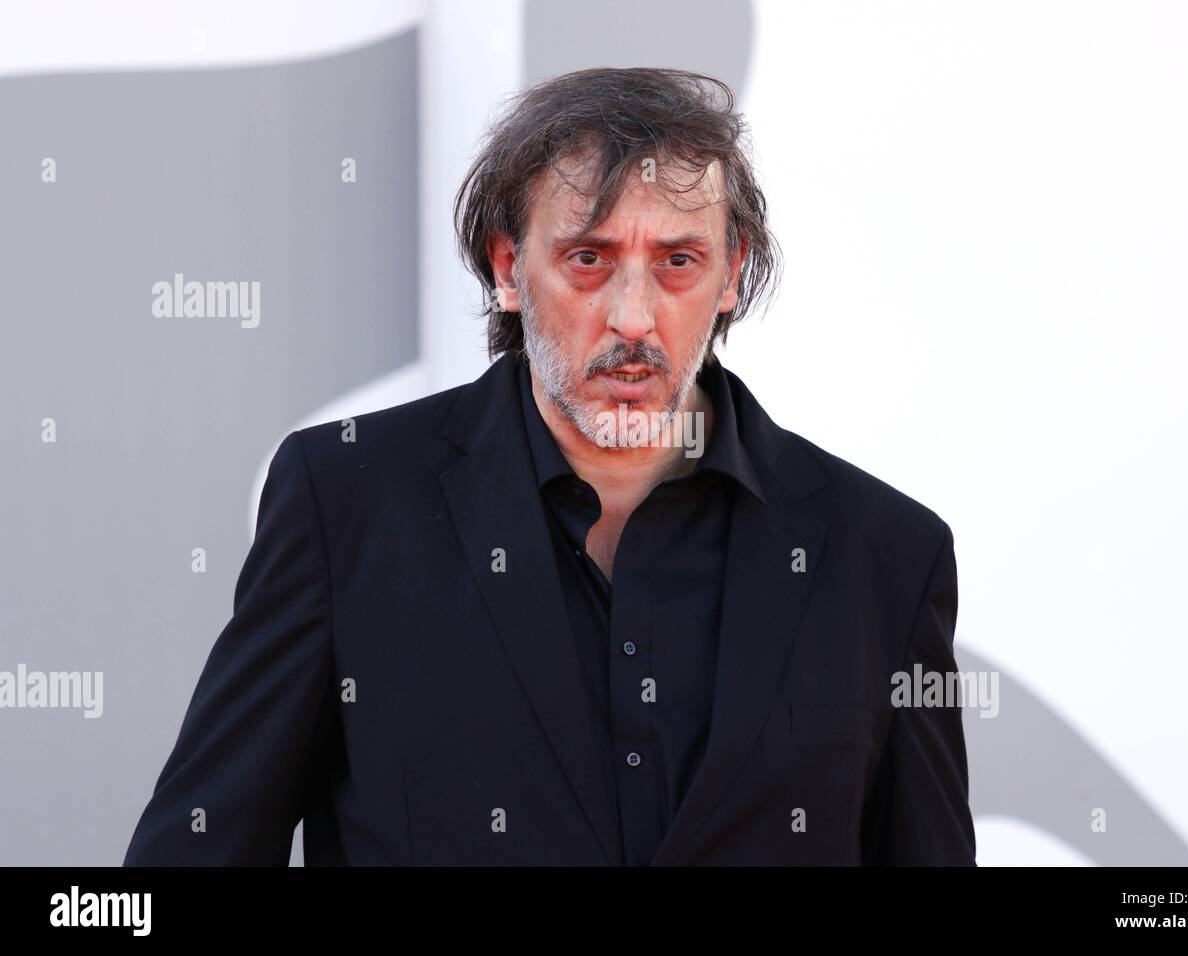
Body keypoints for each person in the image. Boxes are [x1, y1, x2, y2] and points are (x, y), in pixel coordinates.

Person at [124, 66, 975, 866]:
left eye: (678, 261)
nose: (632, 317)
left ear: (731, 275)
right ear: (508, 269)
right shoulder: (346, 501)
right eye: (588, 258)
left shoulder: (886, 555)